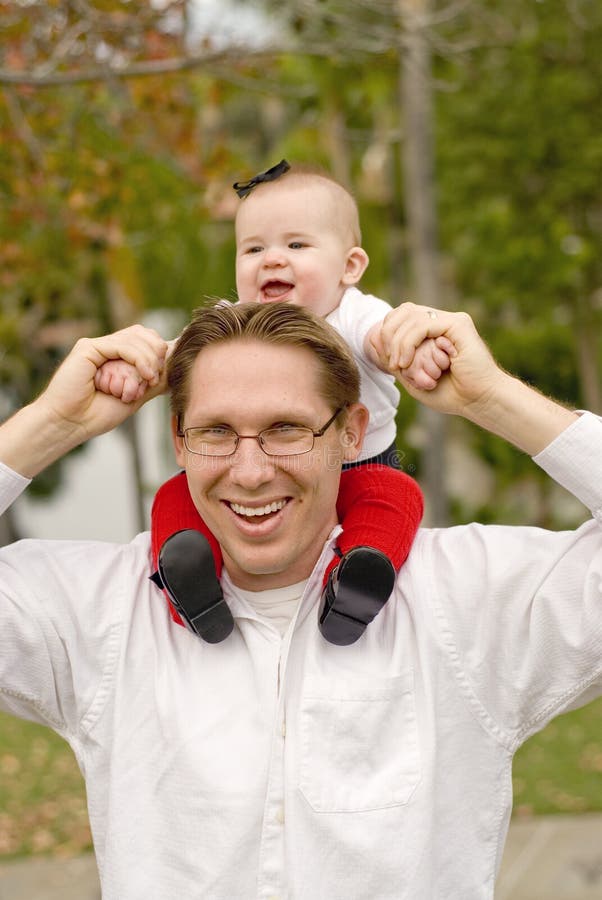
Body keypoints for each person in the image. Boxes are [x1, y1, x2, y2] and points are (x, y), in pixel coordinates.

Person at [1, 300, 601, 899]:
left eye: (287, 429)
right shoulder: (99, 611)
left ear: (351, 434)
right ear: (179, 441)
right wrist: (55, 422)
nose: (251, 471)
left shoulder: (465, 596)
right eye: (215, 432)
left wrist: (491, 397)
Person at [95, 160, 454, 645]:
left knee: (396, 496)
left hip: (364, 465)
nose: (272, 260)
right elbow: (171, 361)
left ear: (350, 267)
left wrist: (416, 349)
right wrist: (131, 369)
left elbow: (386, 339)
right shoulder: (233, 322)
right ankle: (189, 583)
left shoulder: (354, 314)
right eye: (254, 248)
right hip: (265, 465)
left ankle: (357, 577)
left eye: (296, 245)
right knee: (174, 497)